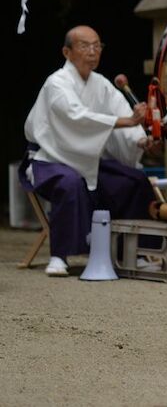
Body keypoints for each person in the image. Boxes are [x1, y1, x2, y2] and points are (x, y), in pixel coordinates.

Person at [21, 25, 157, 277]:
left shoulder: (101, 84)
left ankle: (135, 253)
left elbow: (121, 112)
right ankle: (59, 256)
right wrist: (128, 122)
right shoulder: (56, 83)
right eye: (85, 46)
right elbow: (76, 117)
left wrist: (139, 139)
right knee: (70, 183)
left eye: (97, 46)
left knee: (132, 181)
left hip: (88, 158)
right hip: (50, 158)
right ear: (67, 52)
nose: (93, 52)